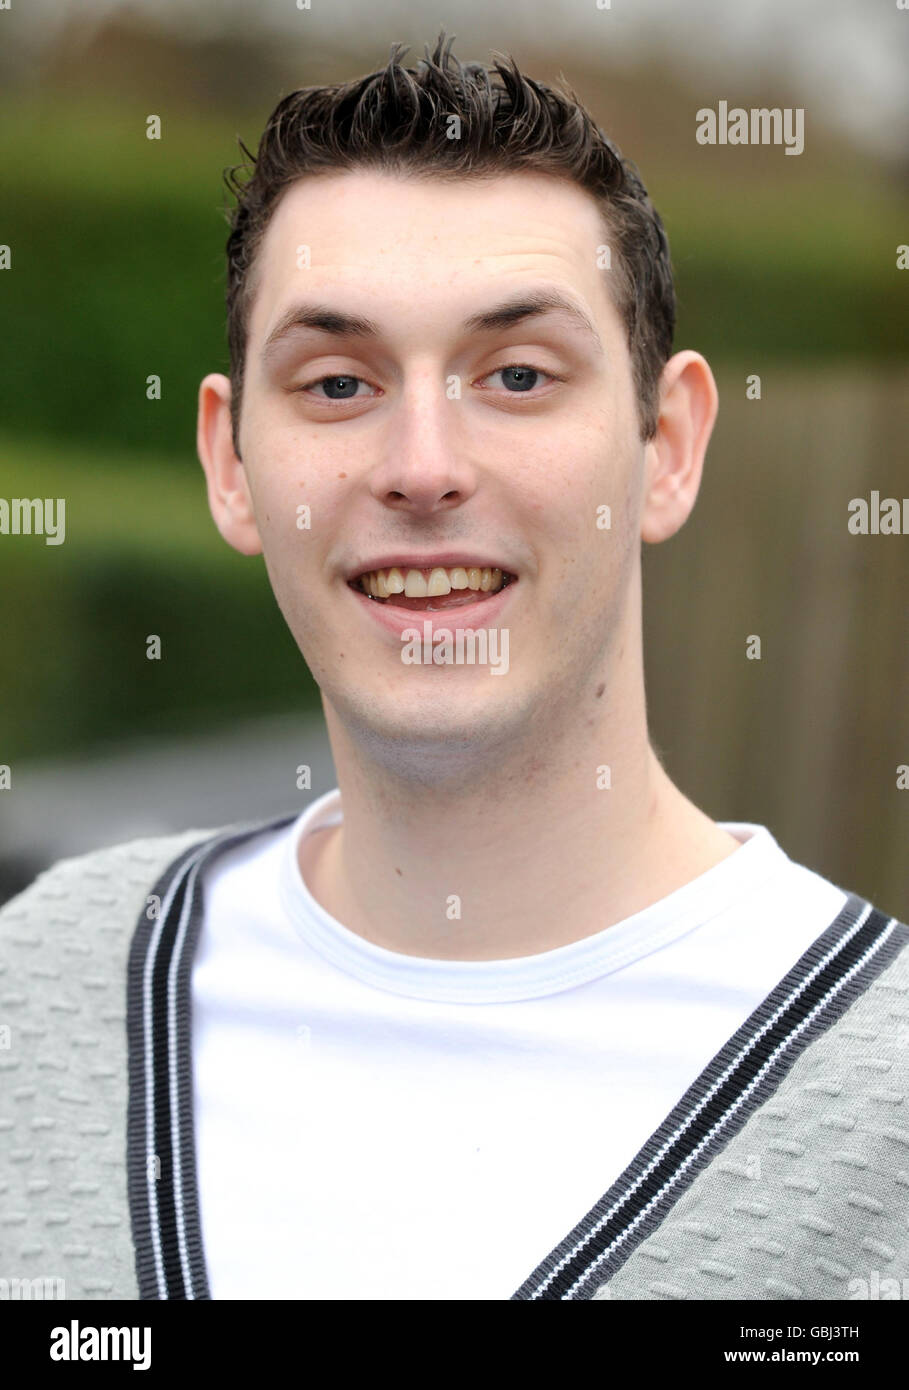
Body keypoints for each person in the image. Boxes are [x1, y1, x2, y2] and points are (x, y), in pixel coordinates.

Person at [2, 32, 906, 1303]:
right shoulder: (44, 994)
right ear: (227, 461)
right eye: (336, 383)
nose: (422, 464)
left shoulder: (883, 1108)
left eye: (520, 374)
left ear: (669, 446)